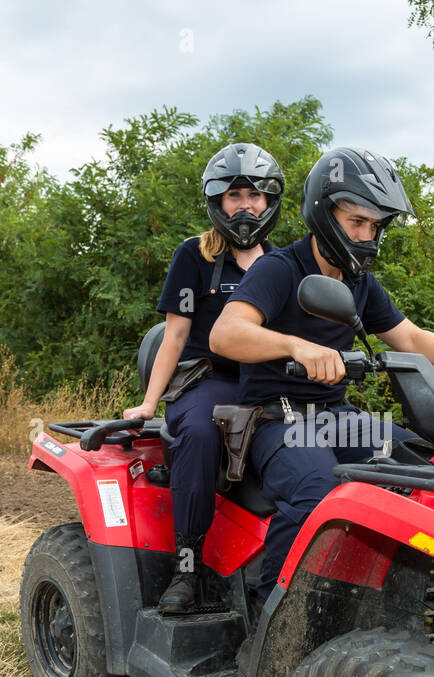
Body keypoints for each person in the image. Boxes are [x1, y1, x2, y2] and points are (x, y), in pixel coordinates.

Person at [209, 146, 434, 606]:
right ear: (324, 215)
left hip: (337, 416)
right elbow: (225, 333)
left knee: (431, 466)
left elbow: (413, 340)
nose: (367, 236)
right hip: (277, 421)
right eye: (357, 223)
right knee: (317, 491)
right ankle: (270, 618)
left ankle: (399, 599)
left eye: (375, 226)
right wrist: (296, 345)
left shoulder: (359, 283)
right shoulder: (280, 269)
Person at [124, 142, 284, 613]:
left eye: (255, 196)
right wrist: (150, 404)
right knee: (195, 432)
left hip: (268, 382)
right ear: (218, 201)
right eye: (235, 195)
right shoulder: (194, 256)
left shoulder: (283, 263)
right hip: (208, 380)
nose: (245, 205)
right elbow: (174, 336)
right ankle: (187, 566)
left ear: (270, 201)